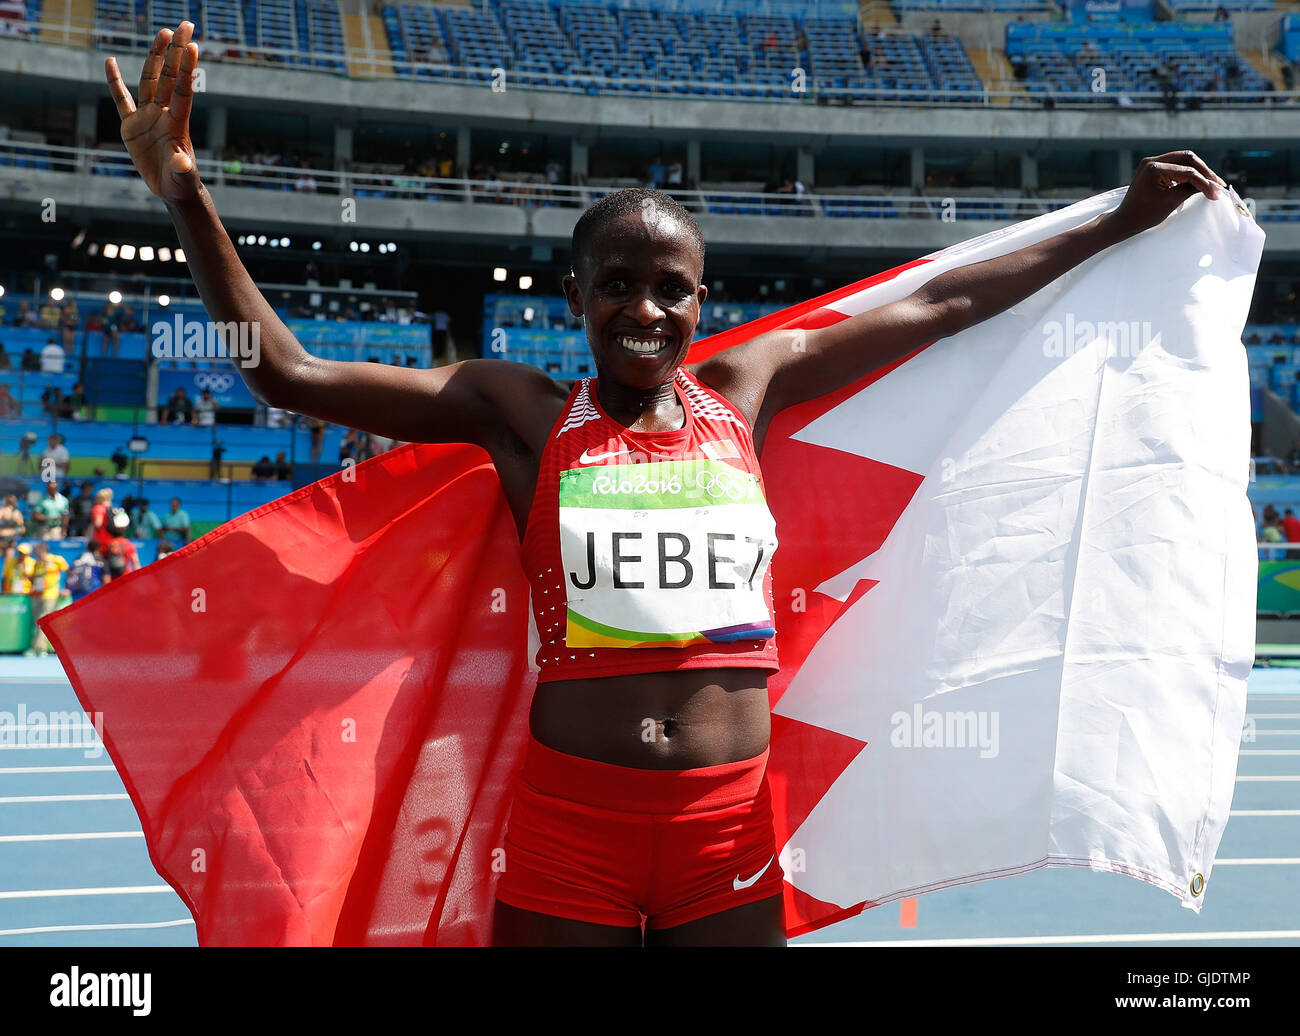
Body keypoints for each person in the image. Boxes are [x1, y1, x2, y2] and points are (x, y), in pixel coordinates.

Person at [106, 21, 1227, 946]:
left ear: (702, 302)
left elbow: (938, 310)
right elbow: (288, 376)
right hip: (566, 834)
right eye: (618, 285)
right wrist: (188, 194)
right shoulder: (521, 414)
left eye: (672, 289)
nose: (645, 309)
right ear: (576, 295)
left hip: (727, 835)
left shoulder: (747, 385)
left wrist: (1113, 228)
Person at [26, 540, 69, 657]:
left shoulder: (56, 560)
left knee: (42, 620)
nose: (34, 553)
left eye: (36, 550)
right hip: (37, 596)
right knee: (37, 623)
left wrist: (66, 588)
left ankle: (38, 648)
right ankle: (39, 647)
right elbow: (35, 580)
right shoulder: (37, 564)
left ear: (42, 550)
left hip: (50, 596)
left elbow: (69, 572)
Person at [89, 487, 116, 556]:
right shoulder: (113, 509)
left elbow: (98, 524)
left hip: (100, 540)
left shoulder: (98, 508)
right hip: (112, 540)